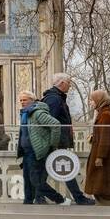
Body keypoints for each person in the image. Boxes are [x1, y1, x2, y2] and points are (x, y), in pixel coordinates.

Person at [41, 74, 96, 206]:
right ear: (61, 83)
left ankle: (39, 197)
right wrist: (53, 142)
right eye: (68, 83)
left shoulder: (56, 98)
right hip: (56, 142)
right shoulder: (54, 99)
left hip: (56, 142)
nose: (70, 85)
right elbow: (51, 122)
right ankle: (78, 198)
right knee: (66, 169)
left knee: (47, 172)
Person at [18, 90, 64, 204]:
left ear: (32, 100)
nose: (22, 102)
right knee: (28, 180)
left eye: (25, 100)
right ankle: (27, 202)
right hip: (27, 151)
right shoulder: (25, 113)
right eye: (21, 100)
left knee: (36, 181)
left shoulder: (37, 112)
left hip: (36, 151)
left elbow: (55, 124)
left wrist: (53, 144)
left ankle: (59, 199)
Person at [84, 89, 110, 206]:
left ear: (99, 100)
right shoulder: (104, 113)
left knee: (102, 183)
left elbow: (105, 138)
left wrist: (100, 156)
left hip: (104, 156)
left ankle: (106, 208)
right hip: (104, 154)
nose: (90, 102)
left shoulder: (105, 115)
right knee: (101, 183)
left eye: (92, 100)